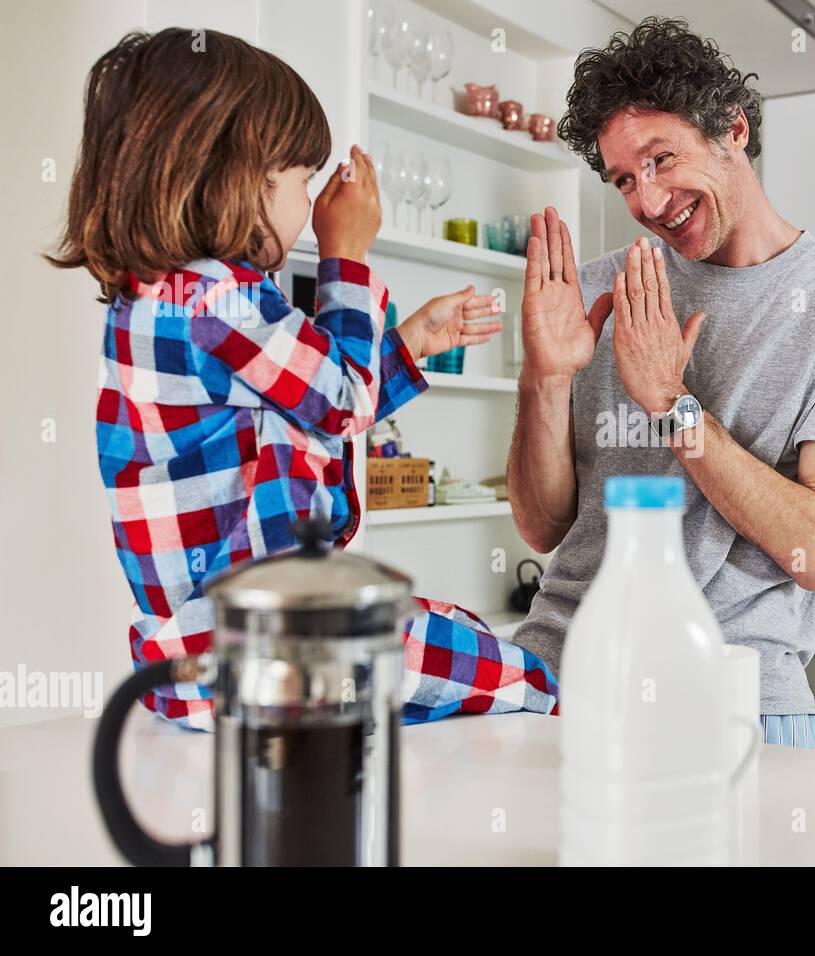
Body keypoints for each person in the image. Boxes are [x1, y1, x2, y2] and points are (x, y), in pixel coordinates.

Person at [49, 28, 558, 730]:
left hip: (190, 664)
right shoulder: (216, 295)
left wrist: (409, 346)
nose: (311, 201)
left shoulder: (155, 302)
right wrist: (347, 252)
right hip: (283, 650)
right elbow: (340, 401)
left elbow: (302, 402)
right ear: (240, 175)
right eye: (301, 179)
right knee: (520, 674)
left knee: (446, 637)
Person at [507, 18, 815, 748]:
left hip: (735, 695)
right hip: (562, 677)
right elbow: (543, 527)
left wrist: (672, 405)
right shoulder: (600, 291)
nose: (650, 200)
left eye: (662, 159)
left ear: (732, 129)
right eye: (626, 179)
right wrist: (544, 377)